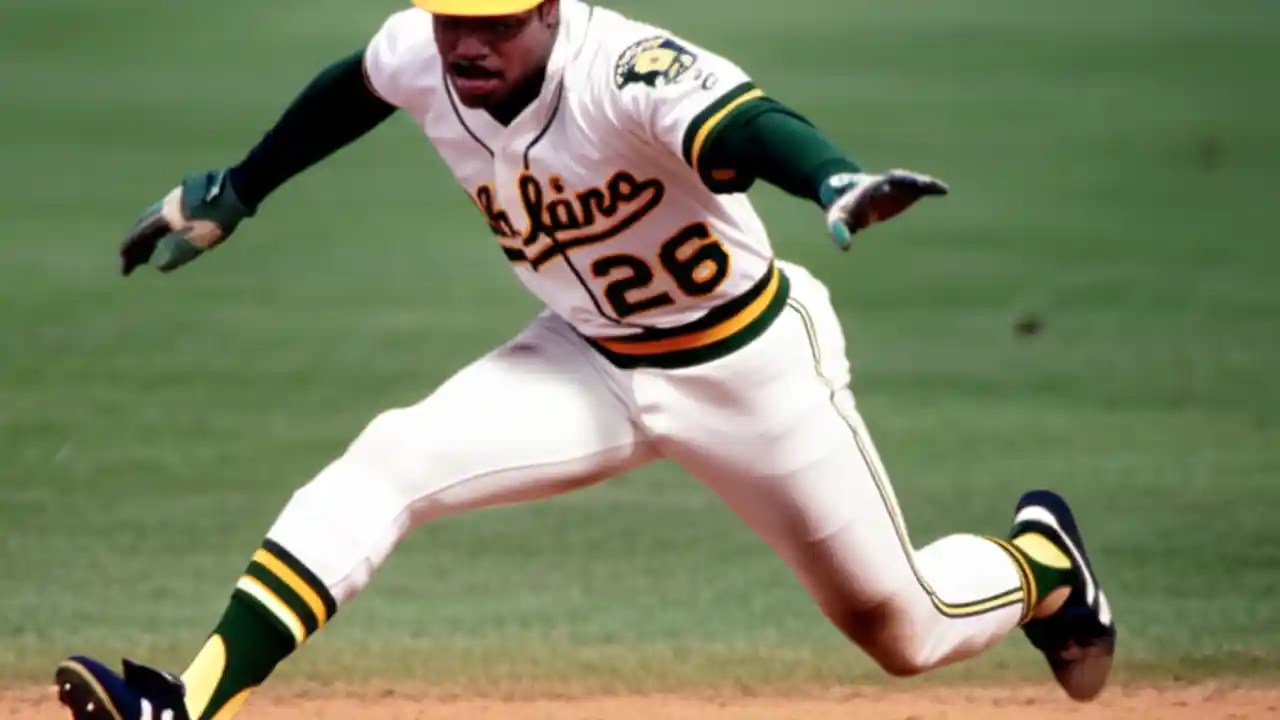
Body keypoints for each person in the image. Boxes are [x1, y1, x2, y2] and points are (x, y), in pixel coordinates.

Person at [54, 1, 1115, 718]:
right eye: (453, 17)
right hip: (581, 363)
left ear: (552, 9)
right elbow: (358, 85)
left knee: (902, 631)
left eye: (496, 22)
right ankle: (181, 703)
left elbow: (745, 126)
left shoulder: (628, 71)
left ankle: (1043, 568)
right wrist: (240, 188)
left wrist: (832, 179)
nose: (466, 43)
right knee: (387, 461)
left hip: (748, 372)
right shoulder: (423, 44)